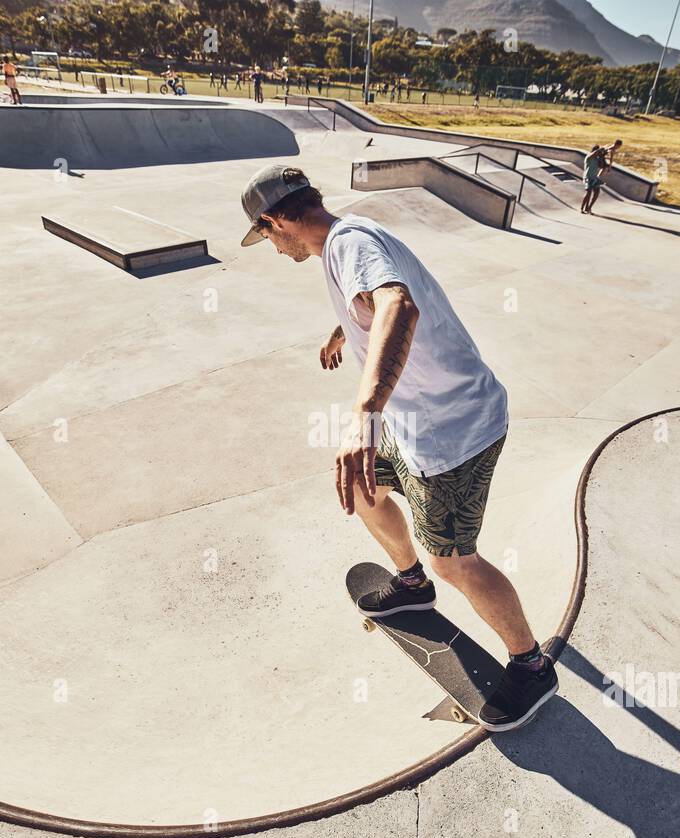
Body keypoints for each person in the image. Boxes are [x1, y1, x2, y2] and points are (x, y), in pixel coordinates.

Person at [238, 165, 559, 731]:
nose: (269, 247)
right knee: (364, 489)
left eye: (264, 235)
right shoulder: (344, 242)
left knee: (455, 560)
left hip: (454, 431)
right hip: (413, 424)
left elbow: (399, 307)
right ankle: (411, 583)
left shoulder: (350, 243)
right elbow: (374, 304)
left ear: (274, 220)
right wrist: (343, 330)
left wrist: (366, 410)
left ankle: (531, 665)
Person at [581, 139, 621, 214]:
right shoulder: (588, 157)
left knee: (597, 192)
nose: (597, 155)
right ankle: (582, 208)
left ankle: (589, 208)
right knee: (588, 193)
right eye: (597, 153)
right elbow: (595, 153)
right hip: (588, 177)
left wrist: (606, 160)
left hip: (594, 177)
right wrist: (603, 148)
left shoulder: (597, 159)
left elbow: (602, 166)